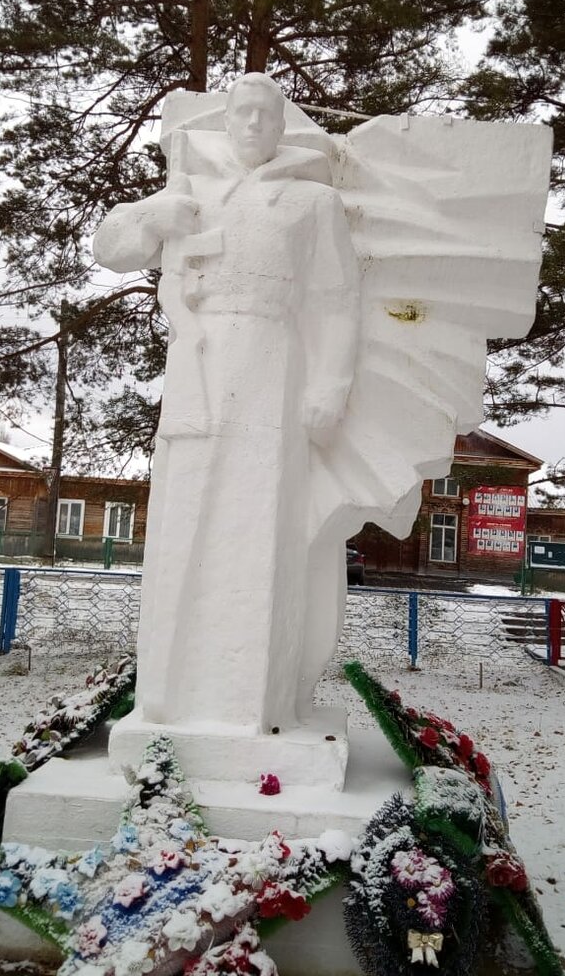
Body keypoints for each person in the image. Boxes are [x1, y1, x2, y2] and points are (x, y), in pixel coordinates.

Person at [94, 74, 360, 732]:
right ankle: (170, 691)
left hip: (274, 364)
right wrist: (154, 215)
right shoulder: (191, 190)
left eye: (264, 115)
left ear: (280, 128)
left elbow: (336, 300)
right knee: (184, 519)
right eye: (240, 112)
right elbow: (111, 249)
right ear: (226, 121)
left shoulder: (311, 202)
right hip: (201, 364)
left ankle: (251, 699)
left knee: (261, 526)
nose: (250, 124)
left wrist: (330, 386)